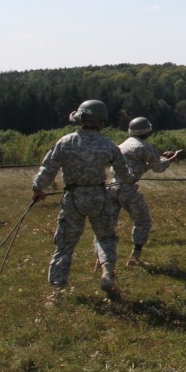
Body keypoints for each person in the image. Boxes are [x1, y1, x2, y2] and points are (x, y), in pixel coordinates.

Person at [32, 99, 130, 302]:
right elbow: (125, 175)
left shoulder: (65, 142)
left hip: (73, 199)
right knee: (106, 239)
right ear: (101, 120)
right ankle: (107, 274)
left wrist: (38, 188)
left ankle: (57, 293)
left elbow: (48, 169)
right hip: (99, 198)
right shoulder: (108, 145)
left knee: (65, 245)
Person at [104, 116, 182, 268]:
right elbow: (158, 168)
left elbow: (138, 165)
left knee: (108, 225)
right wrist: (173, 158)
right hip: (127, 189)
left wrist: (161, 157)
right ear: (147, 131)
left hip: (112, 187)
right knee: (143, 221)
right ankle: (135, 258)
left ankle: (102, 260)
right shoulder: (145, 147)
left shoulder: (123, 144)